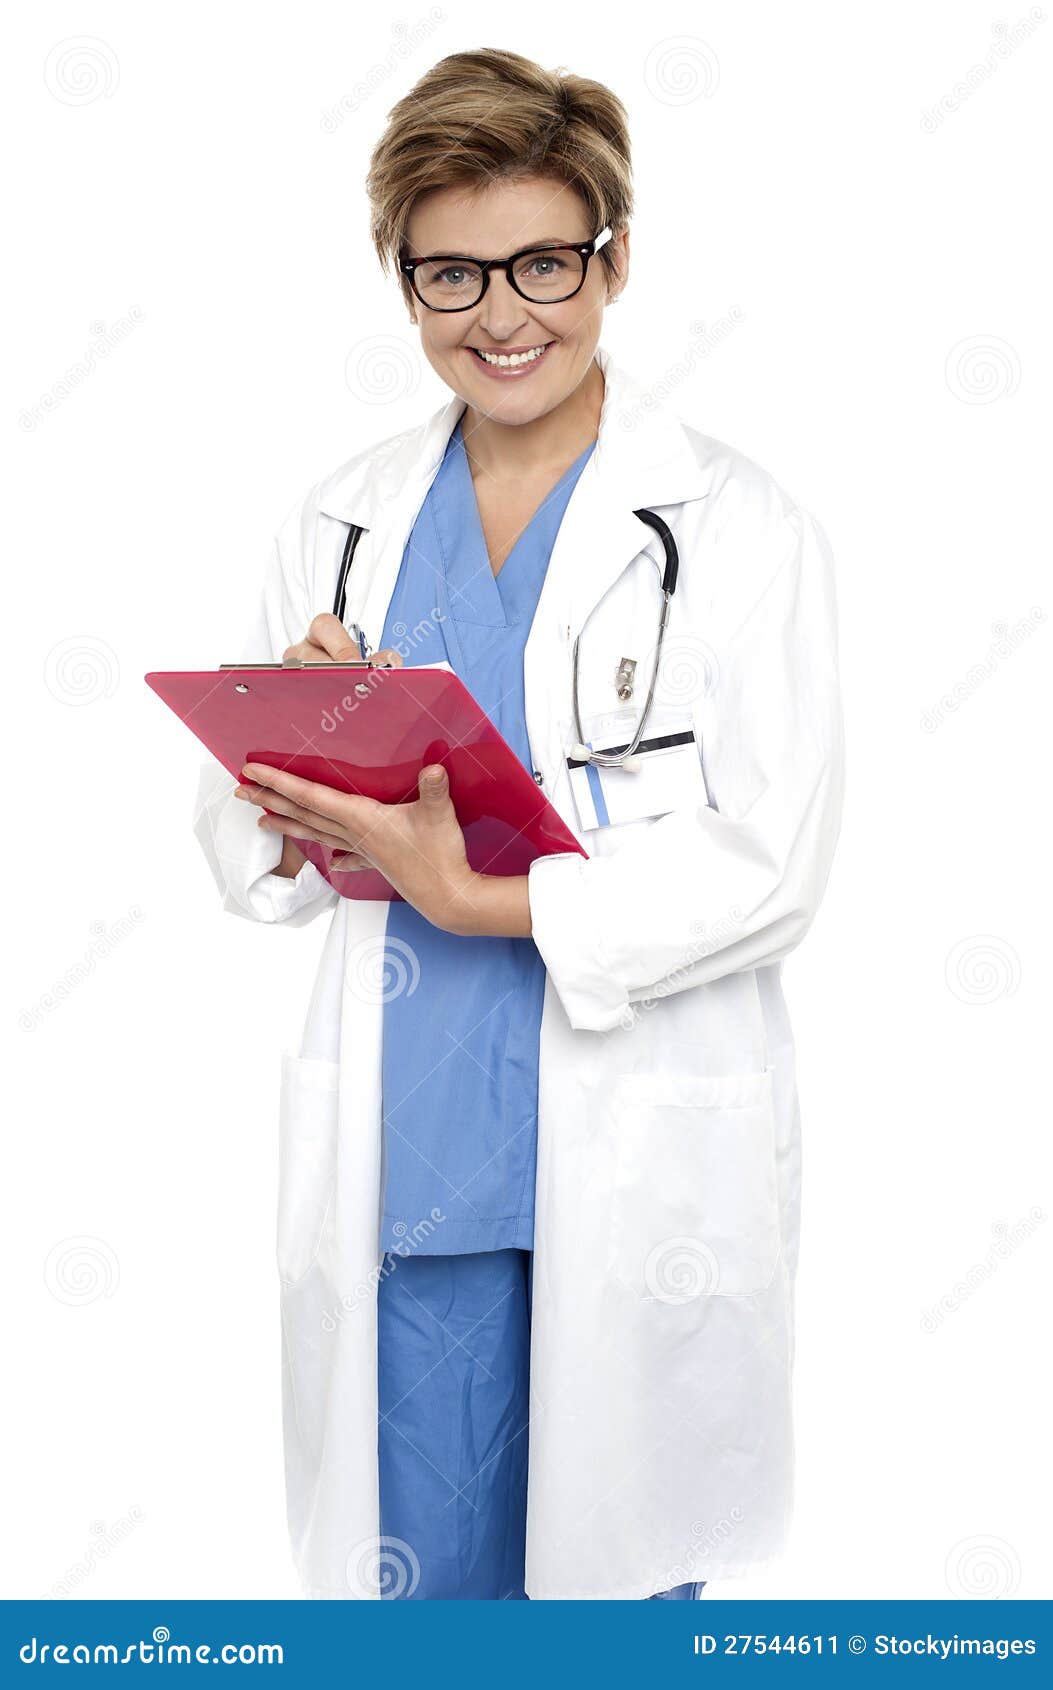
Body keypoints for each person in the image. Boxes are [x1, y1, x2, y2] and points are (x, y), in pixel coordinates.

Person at [193, 47, 845, 1601]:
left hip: (631, 1143)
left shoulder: (733, 528)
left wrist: (493, 903)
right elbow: (249, 864)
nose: (500, 315)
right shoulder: (338, 523)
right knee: (416, 1595)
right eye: (450, 274)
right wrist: (289, 780)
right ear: (400, 281)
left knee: (613, 1584)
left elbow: (779, 860)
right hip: (410, 1152)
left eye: (543, 262)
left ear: (614, 260)